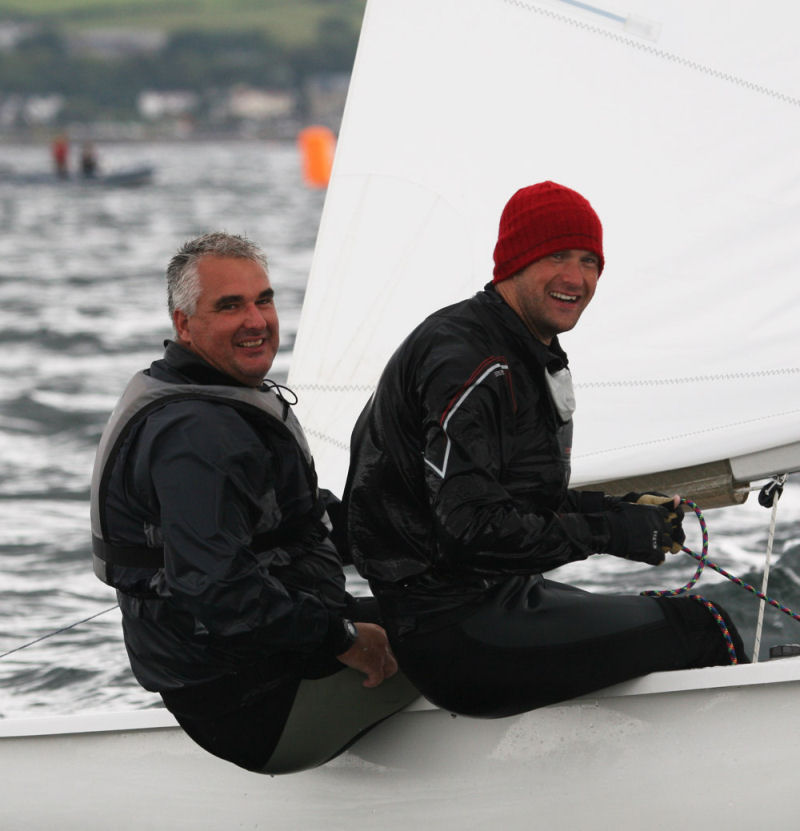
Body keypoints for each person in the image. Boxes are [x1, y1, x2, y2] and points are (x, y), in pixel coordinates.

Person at [344, 181, 747, 719]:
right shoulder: (470, 363)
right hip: (456, 633)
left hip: (489, 601)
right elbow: (471, 530)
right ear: (514, 261)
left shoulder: (514, 345)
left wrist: (619, 510)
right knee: (705, 626)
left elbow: (514, 500)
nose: (576, 278)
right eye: (556, 256)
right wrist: (609, 533)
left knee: (672, 616)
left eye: (589, 261)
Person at [90, 232, 417, 774]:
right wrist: (343, 640)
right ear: (184, 324)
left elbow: (295, 526)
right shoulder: (195, 436)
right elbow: (216, 588)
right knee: (461, 628)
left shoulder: (210, 397)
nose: (256, 321)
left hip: (258, 661)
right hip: (252, 704)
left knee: (447, 599)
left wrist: (428, 536)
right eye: (229, 306)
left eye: (263, 300)